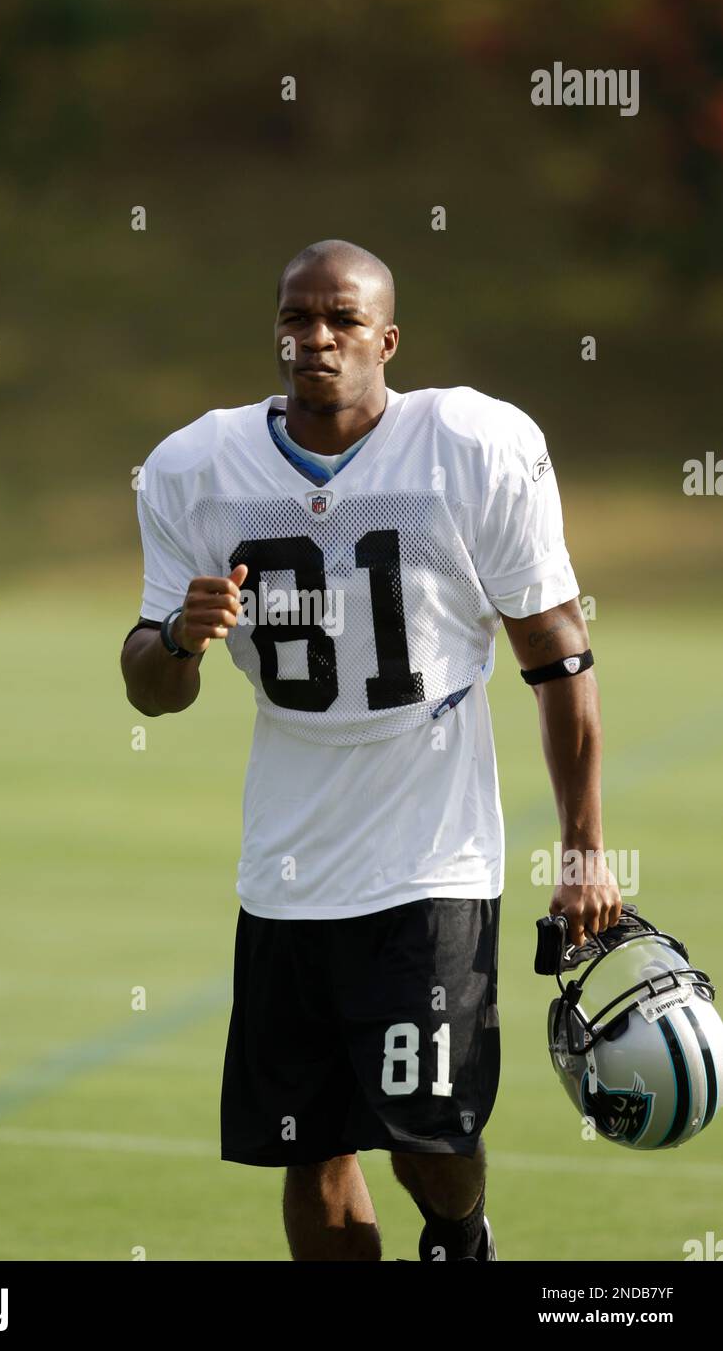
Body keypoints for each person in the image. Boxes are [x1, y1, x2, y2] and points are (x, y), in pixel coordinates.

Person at [120, 239, 622, 1261]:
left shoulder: (470, 446)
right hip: (285, 867)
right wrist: (178, 637)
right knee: (310, 1147)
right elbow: (150, 687)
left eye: (341, 320)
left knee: (427, 1137)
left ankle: (461, 1236)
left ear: (385, 339)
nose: (315, 338)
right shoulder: (195, 468)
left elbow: (555, 655)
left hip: (428, 859)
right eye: (297, 318)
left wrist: (581, 849)